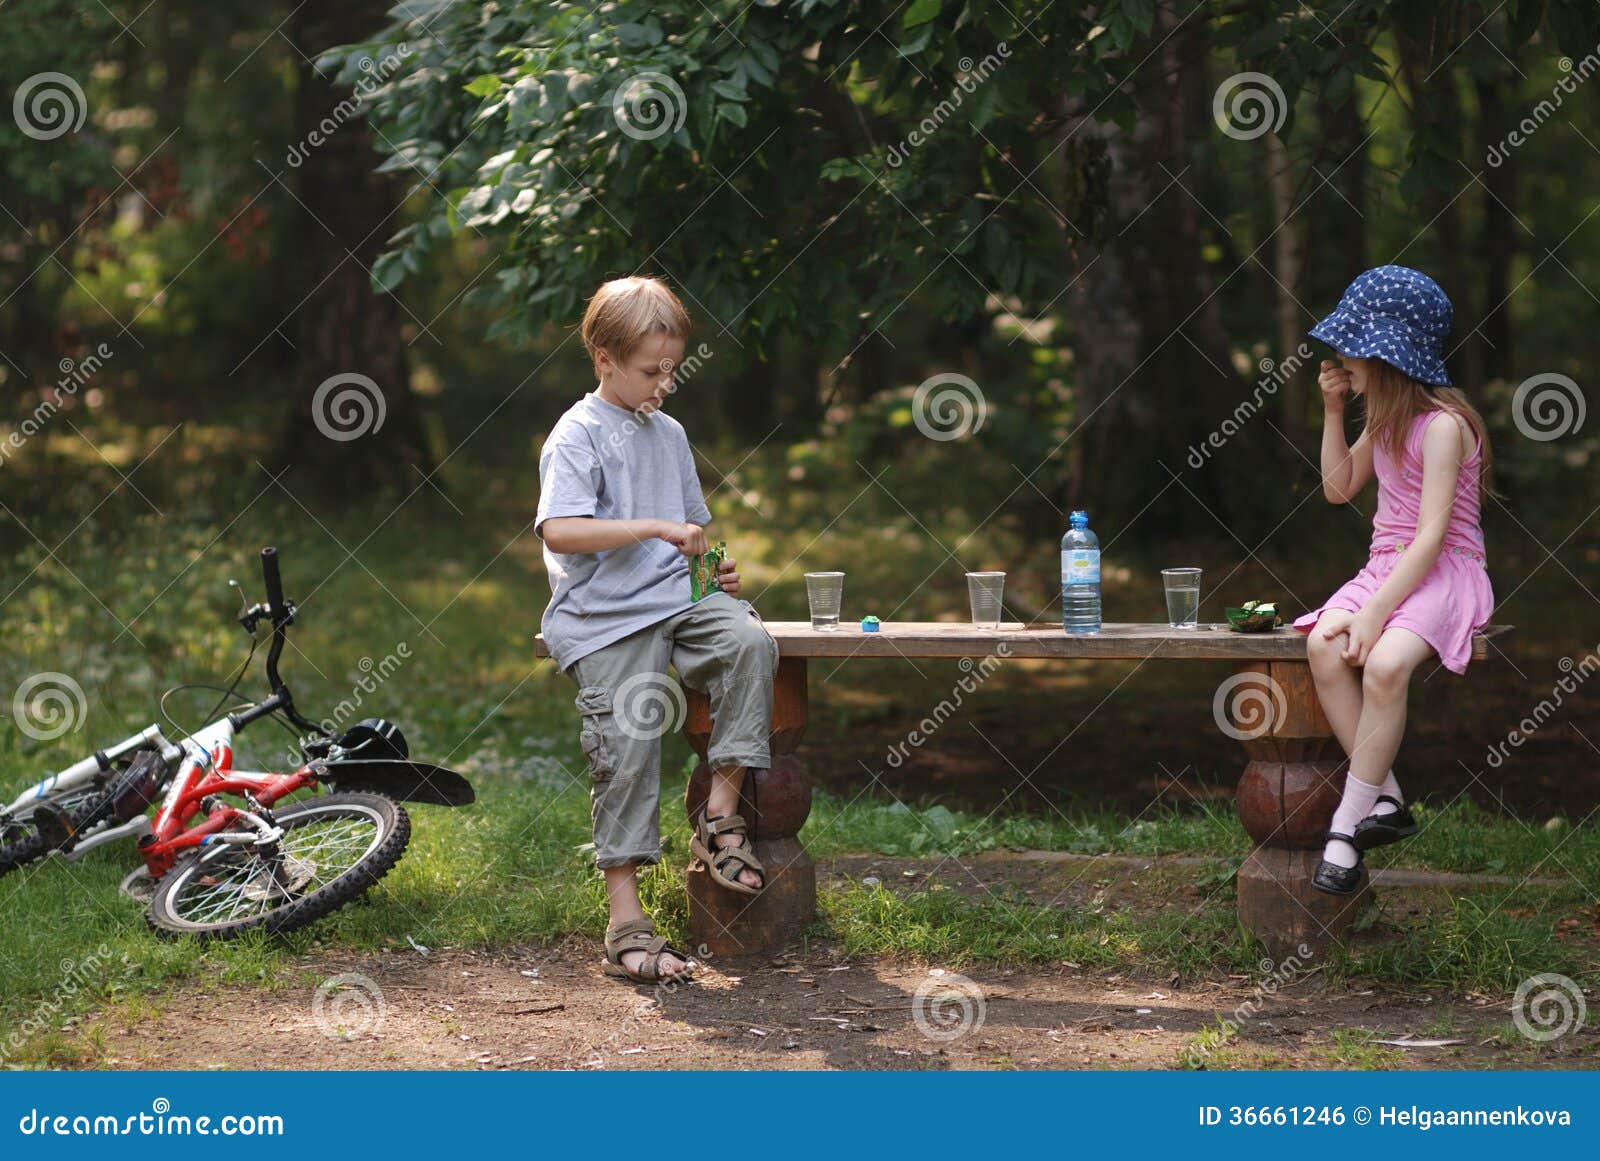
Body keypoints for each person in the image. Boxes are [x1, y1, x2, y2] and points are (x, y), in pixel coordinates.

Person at [536, 276, 780, 980]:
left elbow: (693, 532)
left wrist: (715, 579)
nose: (665, 383)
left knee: (748, 641)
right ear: (604, 357)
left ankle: (719, 815)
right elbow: (559, 529)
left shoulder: (668, 432)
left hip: (677, 599)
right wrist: (647, 527)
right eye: (651, 370)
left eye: (672, 368)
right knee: (630, 736)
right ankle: (625, 921)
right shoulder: (577, 433)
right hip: (606, 618)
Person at [1291, 265, 1497, 895]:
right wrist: (1333, 411)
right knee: (1322, 644)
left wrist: (1377, 614)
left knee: (1383, 666)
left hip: (1442, 571)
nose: (1338, 356)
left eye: (1350, 345)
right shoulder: (1382, 419)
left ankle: (1346, 828)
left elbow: (1432, 537)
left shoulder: (1443, 426)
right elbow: (1337, 489)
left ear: (1385, 351)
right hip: (1386, 567)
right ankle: (1385, 799)